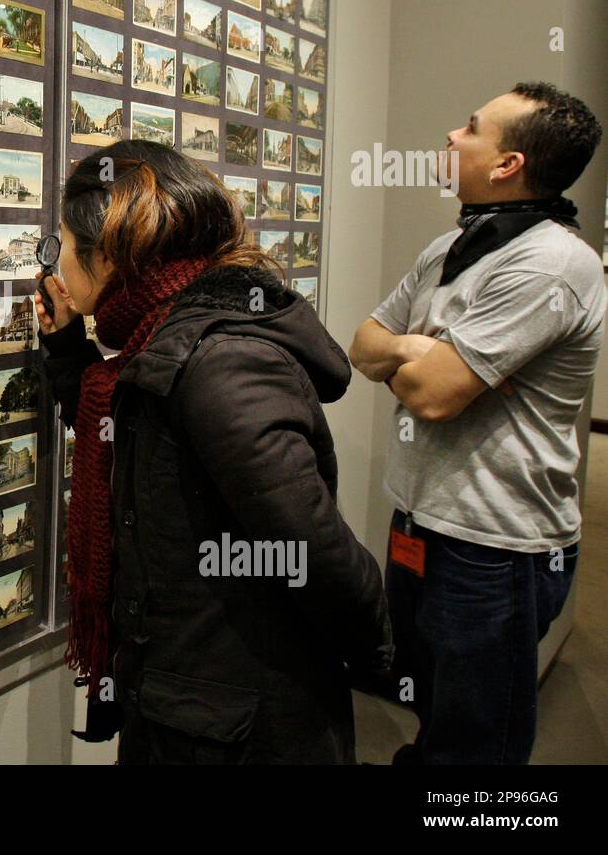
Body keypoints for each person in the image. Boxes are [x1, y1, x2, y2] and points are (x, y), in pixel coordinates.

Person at [37, 140, 392, 764]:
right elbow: (128, 424)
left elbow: (314, 549)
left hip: (238, 728)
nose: (52, 258)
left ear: (112, 254)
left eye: (58, 241)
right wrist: (70, 351)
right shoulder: (173, 335)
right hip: (192, 706)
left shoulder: (222, 362)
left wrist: (375, 661)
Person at [349, 81, 604, 764]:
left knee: (478, 744)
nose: (453, 136)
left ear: (506, 165)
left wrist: (423, 362)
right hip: (421, 524)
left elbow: (432, 397)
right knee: (429, 705)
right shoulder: (451, 247)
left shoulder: (553, 264)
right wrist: (416, 348)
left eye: (471, 128)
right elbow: (363, 345)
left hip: (496, 548)